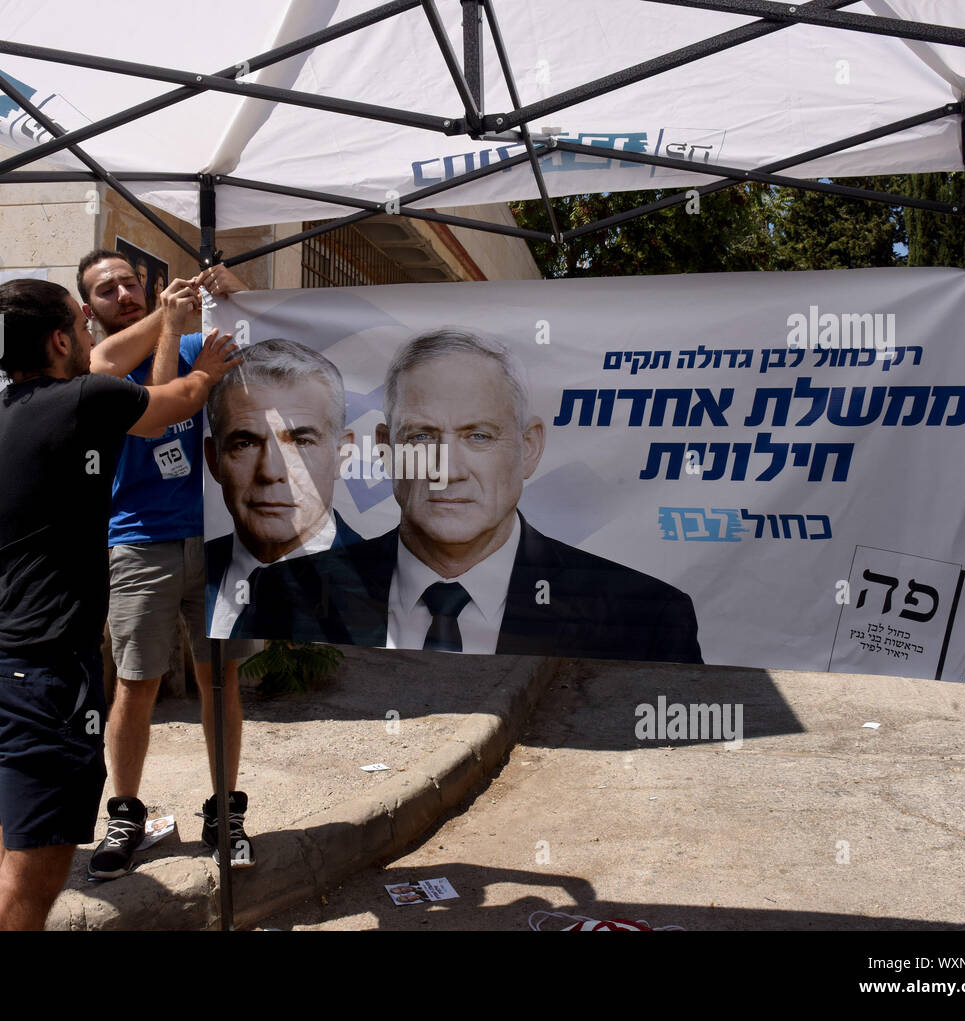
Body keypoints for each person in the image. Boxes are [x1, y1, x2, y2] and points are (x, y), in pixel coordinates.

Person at [0, 276, 239, 930]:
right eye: (83, 327)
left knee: (9, 850)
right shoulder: (82, 399)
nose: (94, 340)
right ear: (60, 339)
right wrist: (207, 368)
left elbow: (118, 368)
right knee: (34, 873)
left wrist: (170, 315)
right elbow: (172, 402)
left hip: (6, 664)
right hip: (45, 676)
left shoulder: (8, 406)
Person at [237, 329, 704, 664]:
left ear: (529, 449)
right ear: (385, 451)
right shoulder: (288, 594)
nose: (448, 470)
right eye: (421, 437)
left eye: (478, 436)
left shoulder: (645, 618)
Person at [77, 248, 258, 879]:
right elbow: (151, 419)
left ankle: (224, 812)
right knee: (136, 683)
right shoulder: (98, 365)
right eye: (107, 291)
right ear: (88, 309)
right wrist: (168, 322)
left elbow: (270, 357)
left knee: (221, 680)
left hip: (217, 537)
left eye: (130, 282)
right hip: (139, 540)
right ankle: (124, 813)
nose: (123, 294)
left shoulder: (195, 343)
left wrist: (236, 295)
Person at [204, 338, 364, 639]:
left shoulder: (386, 580)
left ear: (342, 455)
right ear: (214, 460)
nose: (270, 471)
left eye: (301, 442)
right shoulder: (194, 571)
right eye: (246, 443)